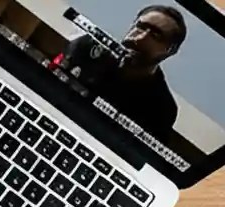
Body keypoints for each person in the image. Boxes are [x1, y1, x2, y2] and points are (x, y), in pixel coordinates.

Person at [63, 4, 186, 141]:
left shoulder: (163, 108)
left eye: (155, 35)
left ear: (170, 50)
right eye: (140, 27)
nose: (139, 38)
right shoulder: (87, 46)